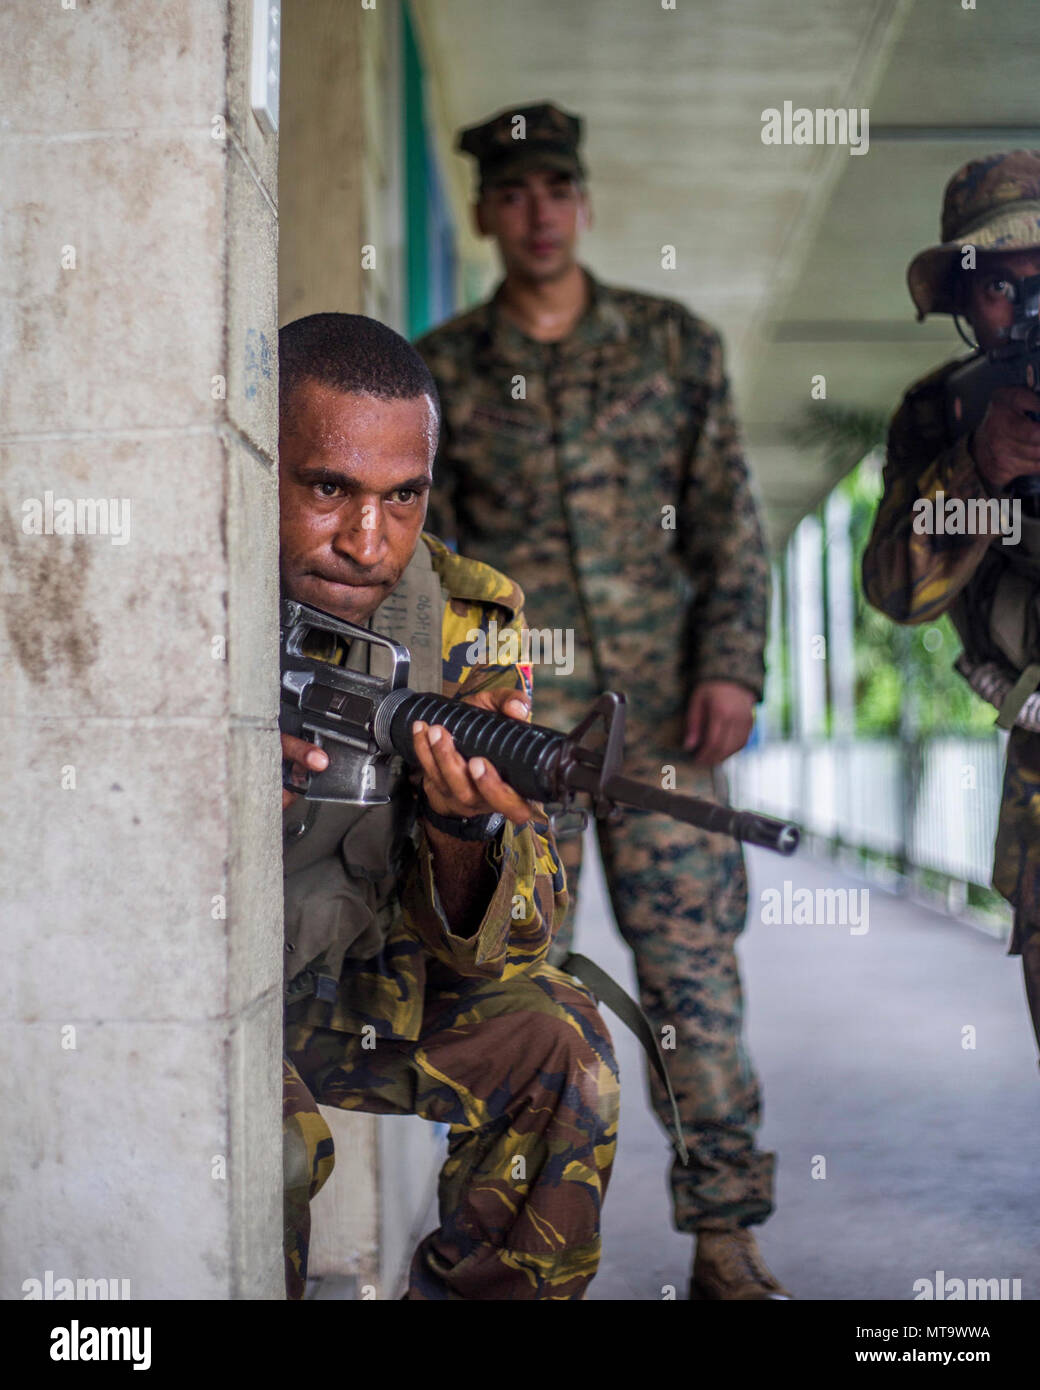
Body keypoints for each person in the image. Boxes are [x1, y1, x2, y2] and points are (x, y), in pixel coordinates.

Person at [416, 104, 788, 1300]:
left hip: (667, 725)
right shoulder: (446, 368)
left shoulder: (671, 345)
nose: (537, 211)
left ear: (583, 202)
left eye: (556, 187)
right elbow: (429, 562)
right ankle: (511, 1255)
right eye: (513, 191)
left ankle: (723, 1239)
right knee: (518, 997)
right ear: (482, 211)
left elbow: (729, 519)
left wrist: (733, 663)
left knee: (692, 983)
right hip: (522, 743)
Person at [277, 312, 619, 1300]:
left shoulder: (463, 620)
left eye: (403, 496)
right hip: (191, 986)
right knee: (271, 1152)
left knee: (561, 1040)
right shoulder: (177, 589)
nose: (365, 541)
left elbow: (518, 945)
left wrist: (462, 829)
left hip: (350, 989)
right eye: (327, 488)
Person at [863, 150, 1040, 1060]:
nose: (1025, 308)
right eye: (1001, 287)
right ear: (965, 306)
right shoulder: (944, 414)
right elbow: (898, 592)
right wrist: (981, 469)